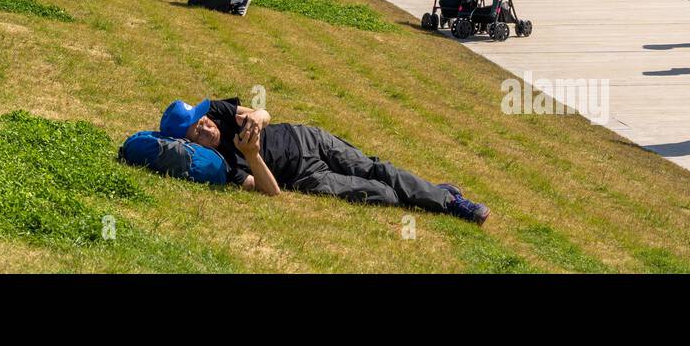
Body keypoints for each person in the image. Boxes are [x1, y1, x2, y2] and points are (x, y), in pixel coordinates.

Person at [158, 97, 489, 222]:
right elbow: (272, 192)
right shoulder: (220, 165)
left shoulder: (216, 110)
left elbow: (263, 111)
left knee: (377, 169)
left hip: (308, 138)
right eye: (197, 130)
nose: (207, 127)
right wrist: (252, 155)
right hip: (306, 176)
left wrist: (257, 120)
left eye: (203, 120)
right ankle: (431, 192)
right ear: (188, 141)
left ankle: (450, 202)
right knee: (384, 194)